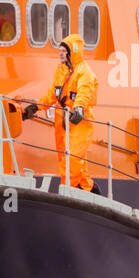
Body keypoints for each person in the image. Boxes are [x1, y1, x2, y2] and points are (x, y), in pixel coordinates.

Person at [22, 33, 99, 191]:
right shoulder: (61, 71)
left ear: (72, 52)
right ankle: (89, 190)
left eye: (64, 51)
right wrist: (35, 107)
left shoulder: (85, 73)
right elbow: (52, 95)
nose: (60, 53)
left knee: (72, 160)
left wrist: (78, 109)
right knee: (67, 159)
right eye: (60, 50)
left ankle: (67, 191)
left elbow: (84, 93)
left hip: (79, 122)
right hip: (62, 122)